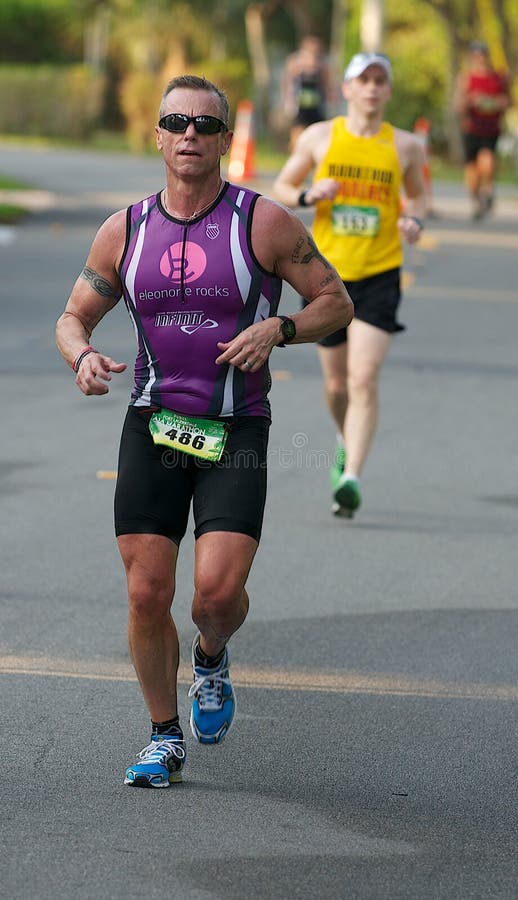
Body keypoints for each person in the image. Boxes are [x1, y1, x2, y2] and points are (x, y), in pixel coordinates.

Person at [55, 75, 353, 788]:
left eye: (204, 124)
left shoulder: (264, 223)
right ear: (157, 136)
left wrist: (279, 327)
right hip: (153, 423)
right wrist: (84, 355)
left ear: (224, 139)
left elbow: (335, 303)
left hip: (236, 427)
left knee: (213, 597)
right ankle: (163, 736)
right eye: (175, 122)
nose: (189, 134)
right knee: (145, 593)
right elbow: (72, 318)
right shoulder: (124, 230)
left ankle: (212, 656)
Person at [273, 53, 426, 518]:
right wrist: (308, 195)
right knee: (337, 385)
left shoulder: (404, 146)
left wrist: (413, 219)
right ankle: (345, 438)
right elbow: (281, 185)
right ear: (347, 89)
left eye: (382, 80)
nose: (374, 88)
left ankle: (351, 477)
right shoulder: (320, 137)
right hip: (325, 277)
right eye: (365, 80)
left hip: (380, 271)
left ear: (388, 91)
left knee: (363, 378)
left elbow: (417, 194)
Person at [455, 41, 510, 220]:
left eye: (482, 55)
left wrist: (500, 102)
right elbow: (458, 106)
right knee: (472, 168)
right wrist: (471, 100)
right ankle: (476, 200)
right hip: (471, 127)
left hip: (491, 127)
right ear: (471, 57)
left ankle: (488, 190)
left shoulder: (498, 78)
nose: (480, 59)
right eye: (476, 55)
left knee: (487, 159)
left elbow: (509, 100)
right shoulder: (466, 78)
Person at [281, 35, 334, 150]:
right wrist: (287, 100)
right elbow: (287, 81)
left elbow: (328, 84)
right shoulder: (295, 62)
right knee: (298, 131)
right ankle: (295, 154)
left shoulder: (323, 64)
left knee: (318, 132)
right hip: (300, 105)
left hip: (317, 105)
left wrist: (331, 98)